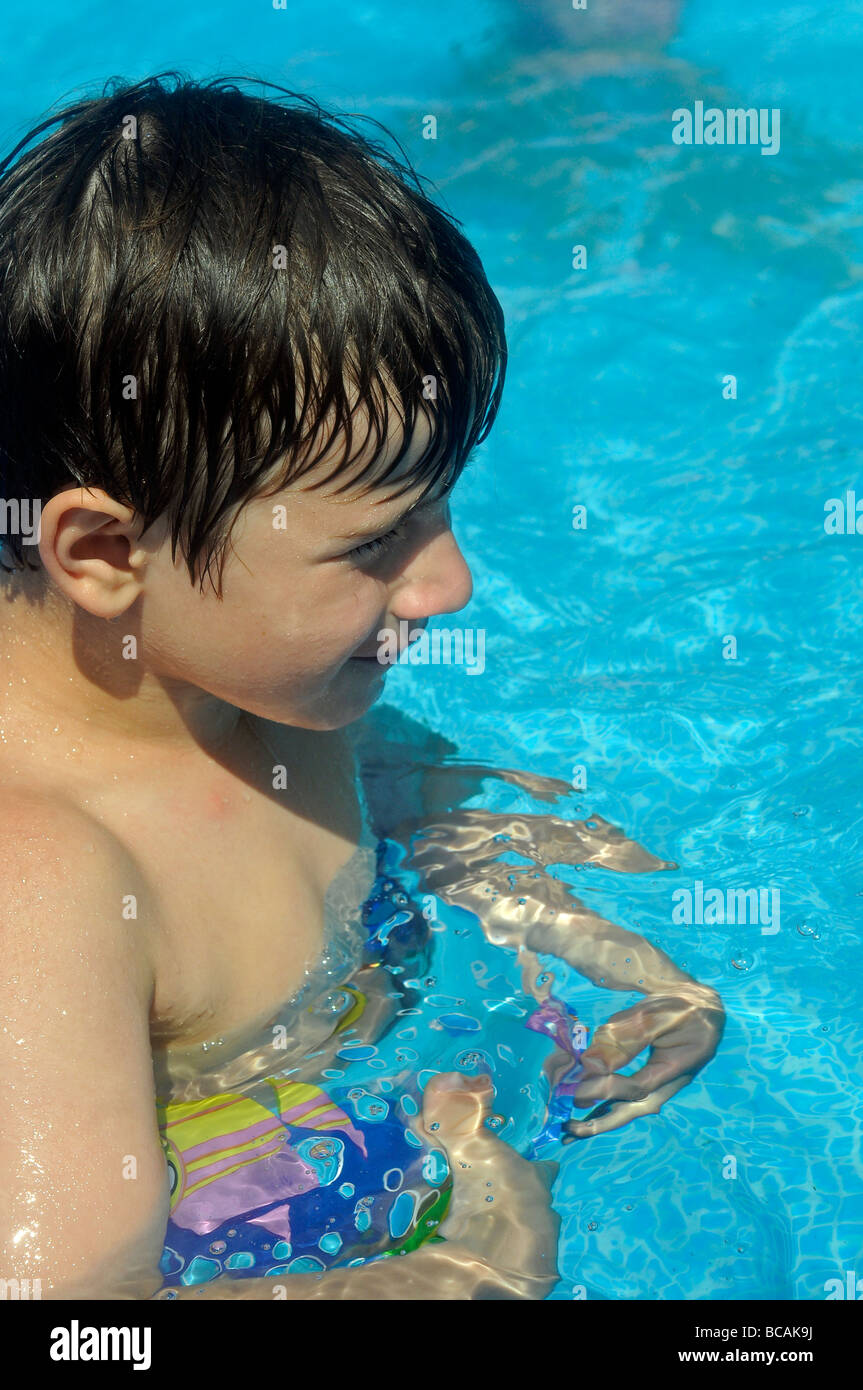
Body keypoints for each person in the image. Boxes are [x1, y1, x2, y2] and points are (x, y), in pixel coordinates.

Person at [0, 74, 723, 1300]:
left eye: (441, 509)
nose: (452, 583)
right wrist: (447, 1276)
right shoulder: (46, 883)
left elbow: (418, 800)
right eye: (377, 540)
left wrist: (632, 970)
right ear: (111, 556)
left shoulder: (261, 685)